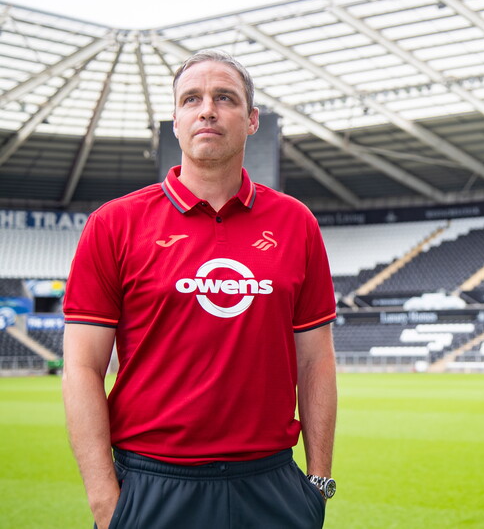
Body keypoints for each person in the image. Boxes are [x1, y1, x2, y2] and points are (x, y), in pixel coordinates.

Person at [62, 49, 338, 528]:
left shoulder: (297, 223)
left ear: (252, 120)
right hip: (152, 484)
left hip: (272, 485)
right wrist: (106, 501)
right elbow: (83, 367)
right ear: (176, 120)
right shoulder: (114, 224)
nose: (207, 109)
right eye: (192, 99)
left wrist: (317, 483)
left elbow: (316, 359)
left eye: (224, 98)